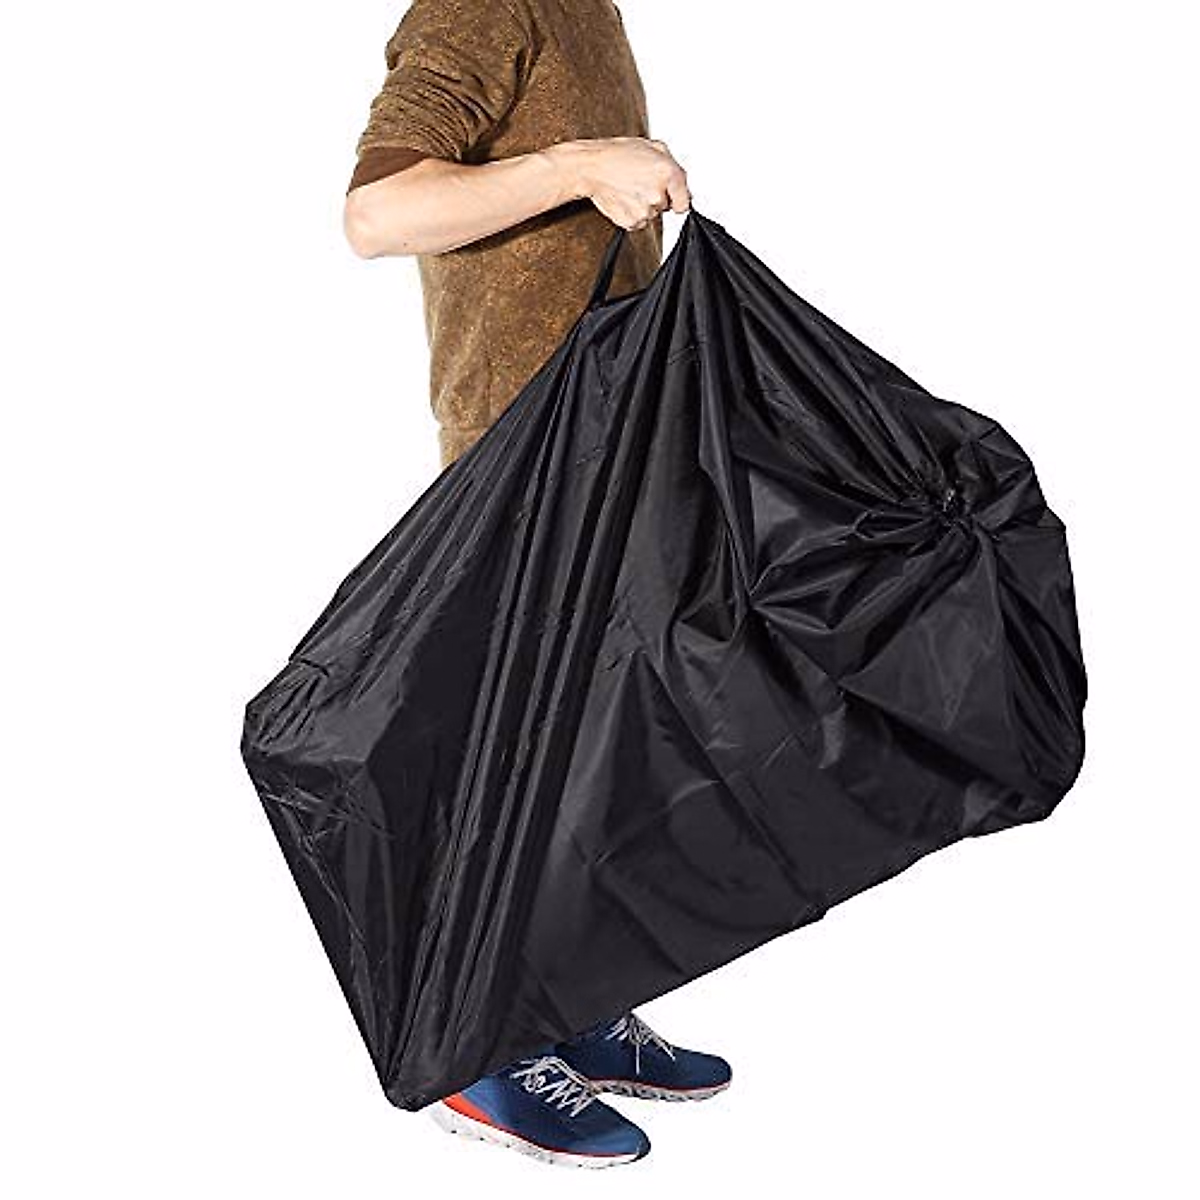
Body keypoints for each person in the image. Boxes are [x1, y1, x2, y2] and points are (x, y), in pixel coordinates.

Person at [342, 0, 730, 1168]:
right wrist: (576, 166)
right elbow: (377, 213)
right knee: (506, 761)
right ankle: (475, 1053)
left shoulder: (585, 10)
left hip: (611, 455)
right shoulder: (484, 5)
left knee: (589, 758)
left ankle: (571, 1005)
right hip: (520, 464)